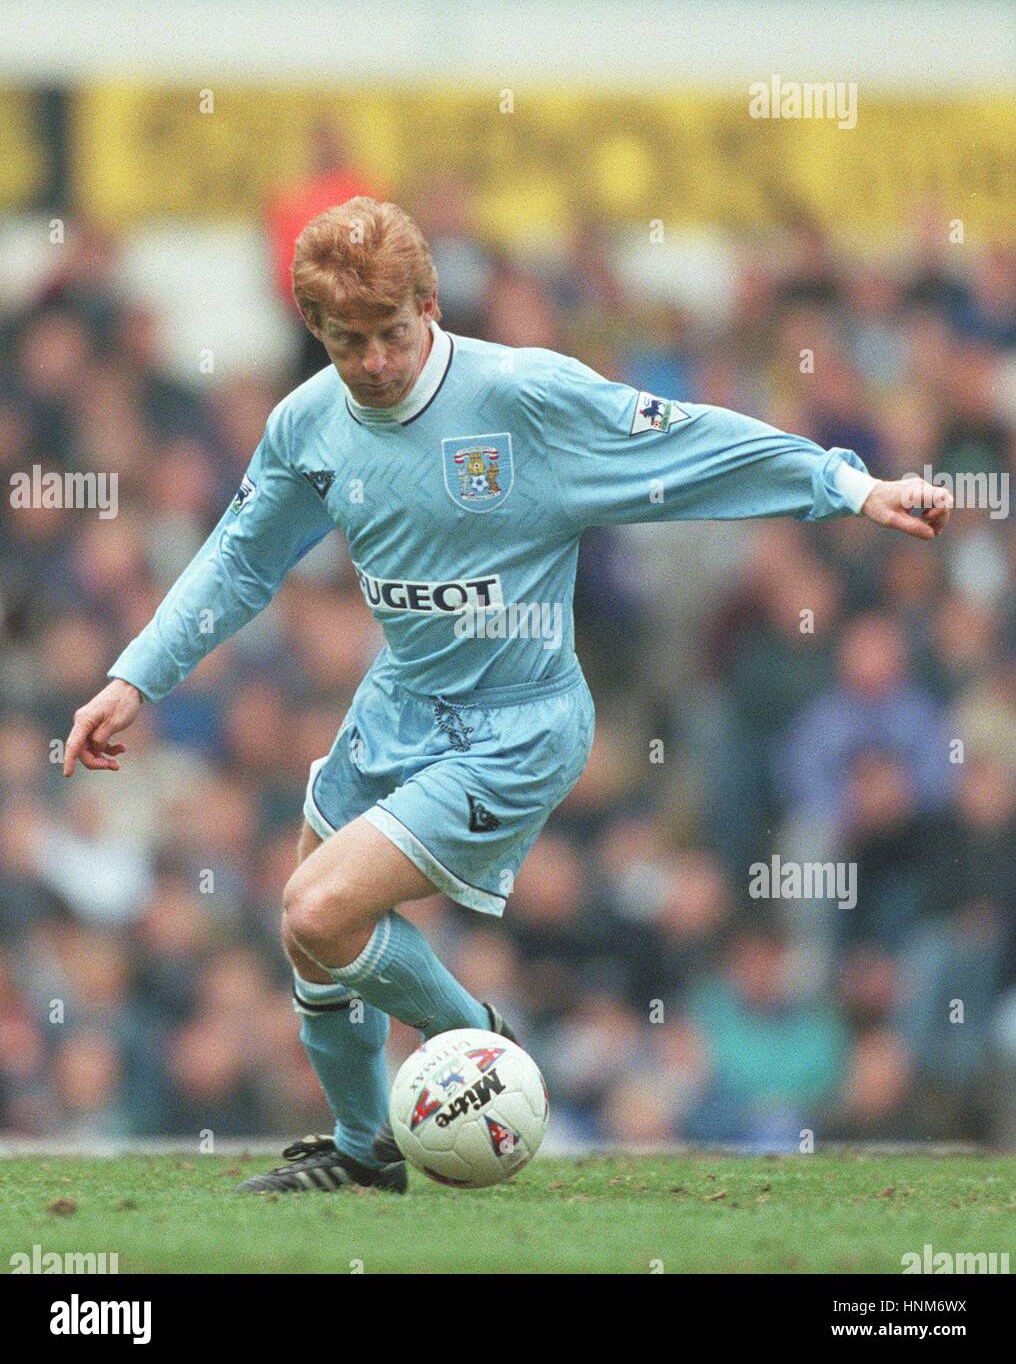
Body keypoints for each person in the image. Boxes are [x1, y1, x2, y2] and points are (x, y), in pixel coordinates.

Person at [63, 198, 953, 1194]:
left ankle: (477, 1040)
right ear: (317, 332)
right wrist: (133, 675)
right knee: (312, 944)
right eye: (348, 342)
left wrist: (845, 485)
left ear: (430, 306)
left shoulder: (522, 397)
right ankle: (363, 1154)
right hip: (396, 706)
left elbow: (688, 442)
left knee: (315, 907)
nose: (375, 363)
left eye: (392, 334)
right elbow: (236, 563)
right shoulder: (307, 426)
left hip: (517, 727)